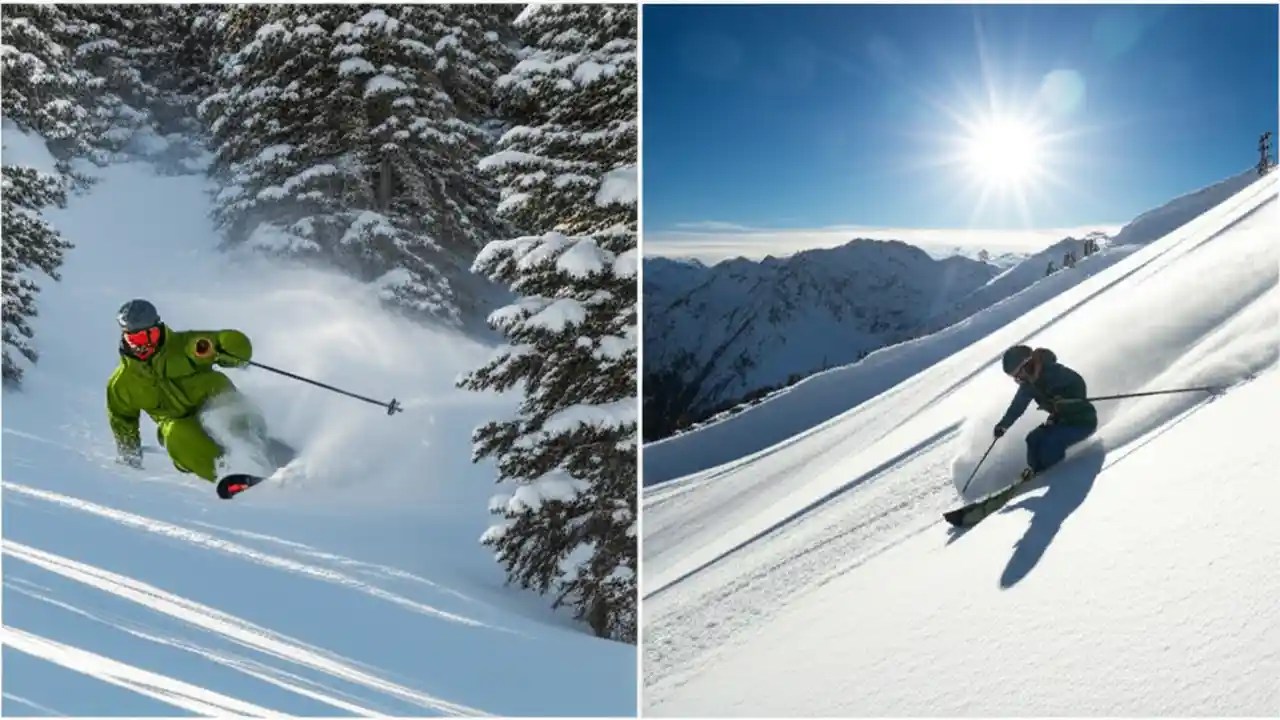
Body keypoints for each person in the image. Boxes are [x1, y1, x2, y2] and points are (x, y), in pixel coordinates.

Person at [107, 299, 262, 483]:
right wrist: (129, 455)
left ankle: (259, 448)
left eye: (151, 336)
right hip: (183, 428)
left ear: (160, 328)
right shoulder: (123, 383)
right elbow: (122, 421)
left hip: (218, 403)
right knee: (175, 433)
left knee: (224, 412)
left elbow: (228, 342)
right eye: (136, 339)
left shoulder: (187, 346)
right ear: (126, 337)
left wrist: (230, 346)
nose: (144, 345)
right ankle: (228, 473)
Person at [994, 345, 1097, 481]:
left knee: (1051, 442)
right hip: (1061, 421)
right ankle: (1036, 470)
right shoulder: (1029, 385)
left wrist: (1066, 399)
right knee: (1033, 438)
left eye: (1018, 375)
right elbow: (1017, 407)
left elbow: (1078, 382)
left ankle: (1051, 475)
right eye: (1015, 377)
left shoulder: (1053, 372)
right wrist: (1003, 425)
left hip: (1082, 421)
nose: (1018, 380)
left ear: (1027, 365)